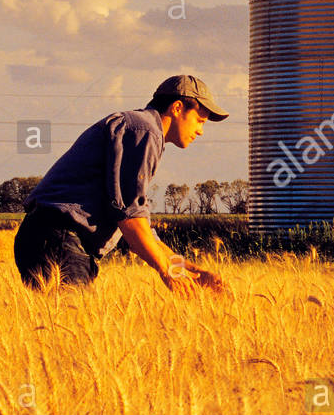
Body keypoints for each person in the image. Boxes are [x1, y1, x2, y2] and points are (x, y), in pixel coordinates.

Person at [14, 74, 229, 293]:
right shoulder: (144, 132)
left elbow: (140, 227)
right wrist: (167, 272)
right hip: (58, 237)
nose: (201, 130)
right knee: (70, 319)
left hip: (52, 240)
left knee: (64, 323)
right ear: (177, 108)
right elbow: (131, 221)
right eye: (200, 121)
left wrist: (192, 272)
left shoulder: (140, 130)